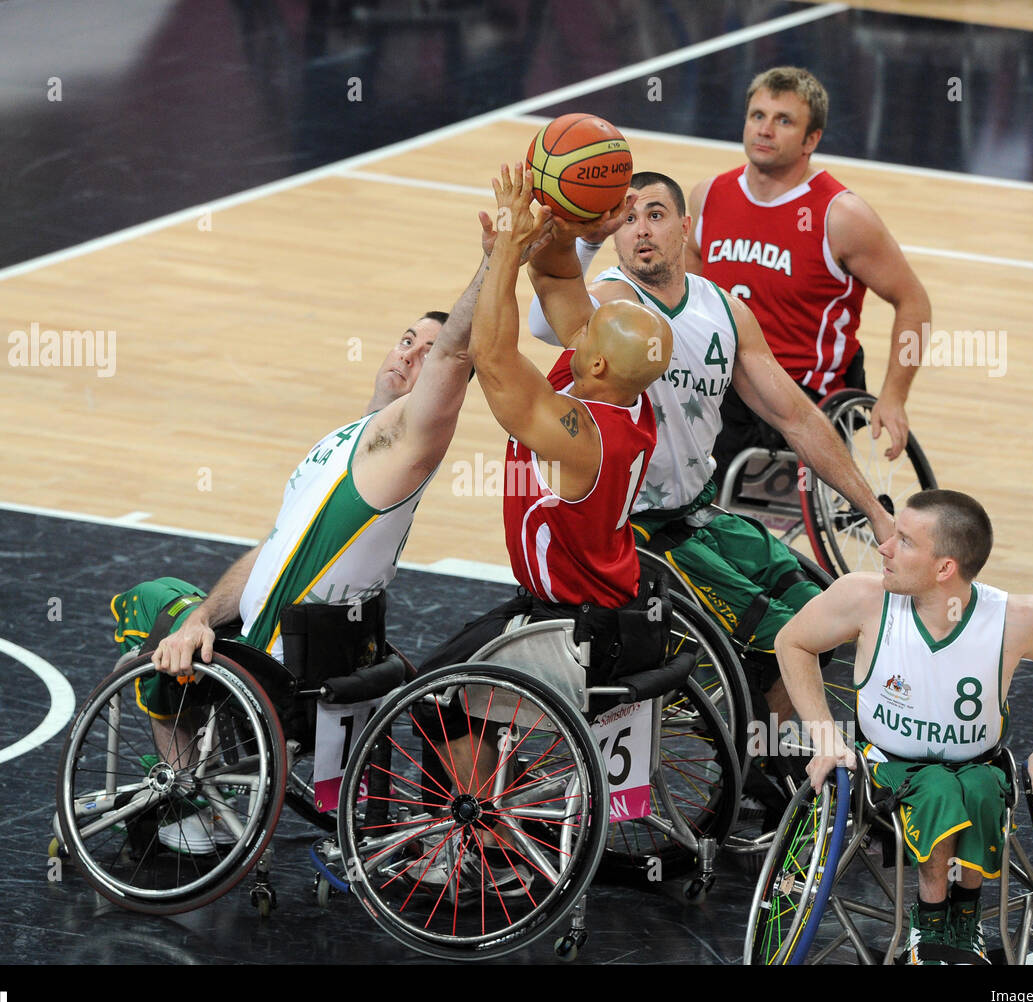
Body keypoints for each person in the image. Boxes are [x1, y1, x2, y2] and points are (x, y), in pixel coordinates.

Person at [105, 215, 553, 853]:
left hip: (279, 675)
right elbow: (274, 548)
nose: (412, 353)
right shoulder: (345, 442)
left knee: (148, 601)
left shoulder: (406, 444)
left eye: (428, 351)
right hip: (283, 648)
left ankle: (190, 796)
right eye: (405, 339)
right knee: (181, 600)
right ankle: (196, 758)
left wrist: (494, 262)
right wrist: (203, 614)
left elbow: (458, 350)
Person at [527, 170, 893, 726]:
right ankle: (759, 770)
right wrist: (585, 237)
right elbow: (543, 322)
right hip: (635, 527)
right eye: (627, 219)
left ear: (686, 227)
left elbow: (795, 416)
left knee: (823, 616)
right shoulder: (611, 304)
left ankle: (769, 764)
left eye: (655, 214)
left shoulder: (725, 311)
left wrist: (875, 514)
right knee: (783, 637)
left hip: (700, 514)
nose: (641, 230)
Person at [410, 163, 672, 890]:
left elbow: (490, 358)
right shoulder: (625, 392)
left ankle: (481, 845)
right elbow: (560, 282)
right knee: (464, 676)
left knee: (433, 694)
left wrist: (501, 252)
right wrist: (555, 222)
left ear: (593, 360)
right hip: (609, 603)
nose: (578, 330)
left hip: (569, 625)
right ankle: (504, 798)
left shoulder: (578, 428)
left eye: (587, 334)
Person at [774, 489, 1033, 964]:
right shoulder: (864, 597)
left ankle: (965, 919)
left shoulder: (1016, 617)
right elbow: (793, 642)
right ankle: (929, 926)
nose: (882, 546)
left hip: (979, 766)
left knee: (983, 787)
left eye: (903, 541)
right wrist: (825, 736)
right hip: (886, 770)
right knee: (939, 790)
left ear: (945, 568)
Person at [685, 66, 932, 482]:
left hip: (796, 397)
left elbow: (914, 302)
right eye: (757, 115)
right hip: (720, 385)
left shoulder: (842, 215)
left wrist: (893, 396)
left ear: (811, 139)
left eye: (784, 121)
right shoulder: (708, 196)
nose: (765, 129)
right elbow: (686, 298)